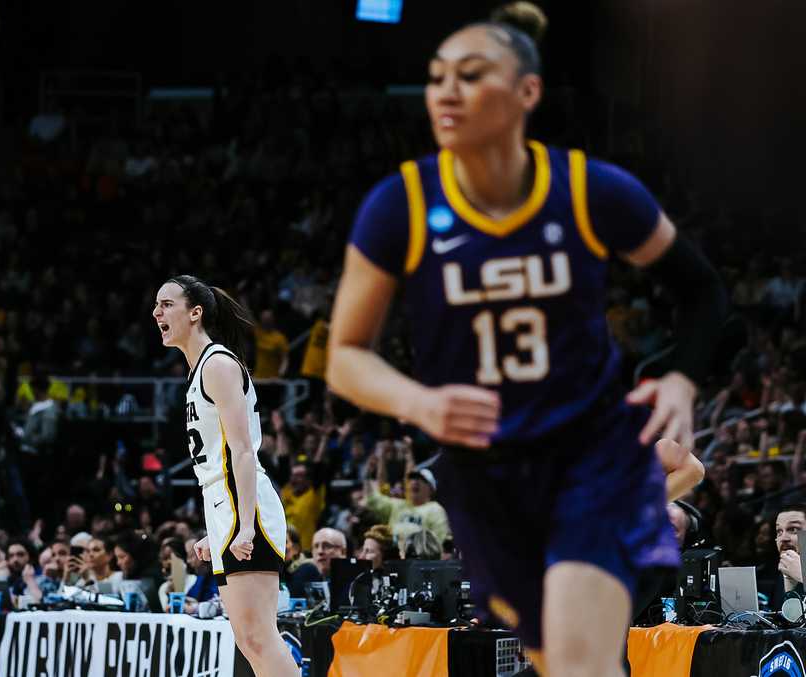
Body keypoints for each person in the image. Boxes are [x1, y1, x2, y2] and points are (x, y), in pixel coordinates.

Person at [324, 4, 727, 673]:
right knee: (561, 661)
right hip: (489, 477)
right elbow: (344, 356)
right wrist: (419, 402)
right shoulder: (401, 204)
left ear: (527, 91)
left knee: (578, 656)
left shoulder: (589, 188)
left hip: (585, 456)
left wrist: (683, 378)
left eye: (471, 75)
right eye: (437, 77)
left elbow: (703, 289)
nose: (446, 91)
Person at [154, 274, 297, 676]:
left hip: (241, 501)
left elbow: (243, 450)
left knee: (260, 637)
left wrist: (245, 525)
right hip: (224, 503)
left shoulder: (217, 364)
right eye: (156, 305)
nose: (157, 312)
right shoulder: (200, 369)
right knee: (248, 640)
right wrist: (215, 531)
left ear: (195, 313)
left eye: (167, 304)